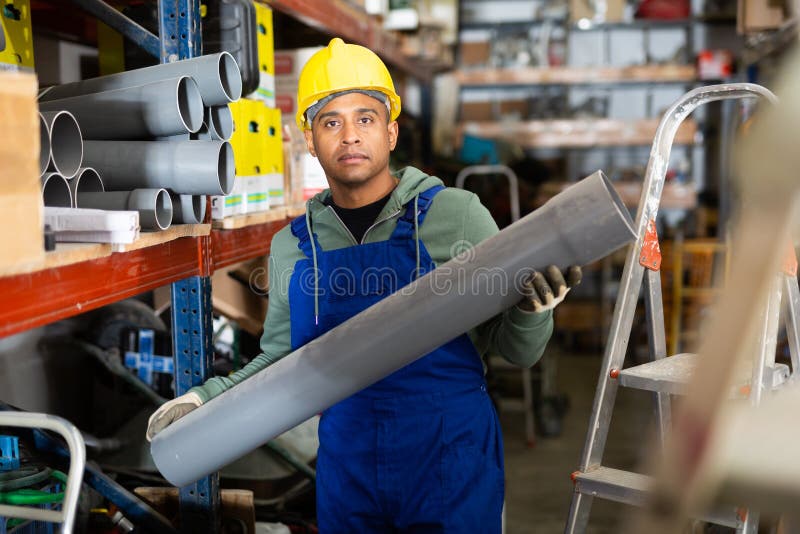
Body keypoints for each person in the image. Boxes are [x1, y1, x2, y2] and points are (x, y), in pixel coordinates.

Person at [147, 37, 581, 533]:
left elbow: (517, 353)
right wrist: (206, 401)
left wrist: (531, 311)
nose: (349, 136)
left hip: (449, 463)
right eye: (331, 122)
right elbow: (281, 361)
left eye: (365, 119)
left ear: (391, 132)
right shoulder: (293, 246)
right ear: (309, 140)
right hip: (349, 473)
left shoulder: (456, 217)